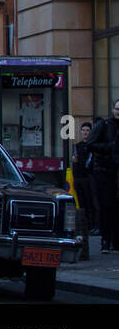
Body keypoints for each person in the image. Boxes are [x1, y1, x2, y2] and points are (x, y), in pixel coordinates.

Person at [84, 101, 119, 252]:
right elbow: (90, 144)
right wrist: (109, 147)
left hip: (116, 172)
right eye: (117, 109)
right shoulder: (104, 125)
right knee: (106, 206)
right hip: (104, 171)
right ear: (113, 109)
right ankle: (106, 240)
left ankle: (115, 242)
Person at [73, 122, 94, 259]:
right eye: (83, 130)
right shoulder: (78, 146)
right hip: (80, 177)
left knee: (90, 202)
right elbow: (75, 161)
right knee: (81, 203)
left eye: (87, 130)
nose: (85, 133)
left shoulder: (92, 146)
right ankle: (86, 225)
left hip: (89, 177)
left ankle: (90, 224)